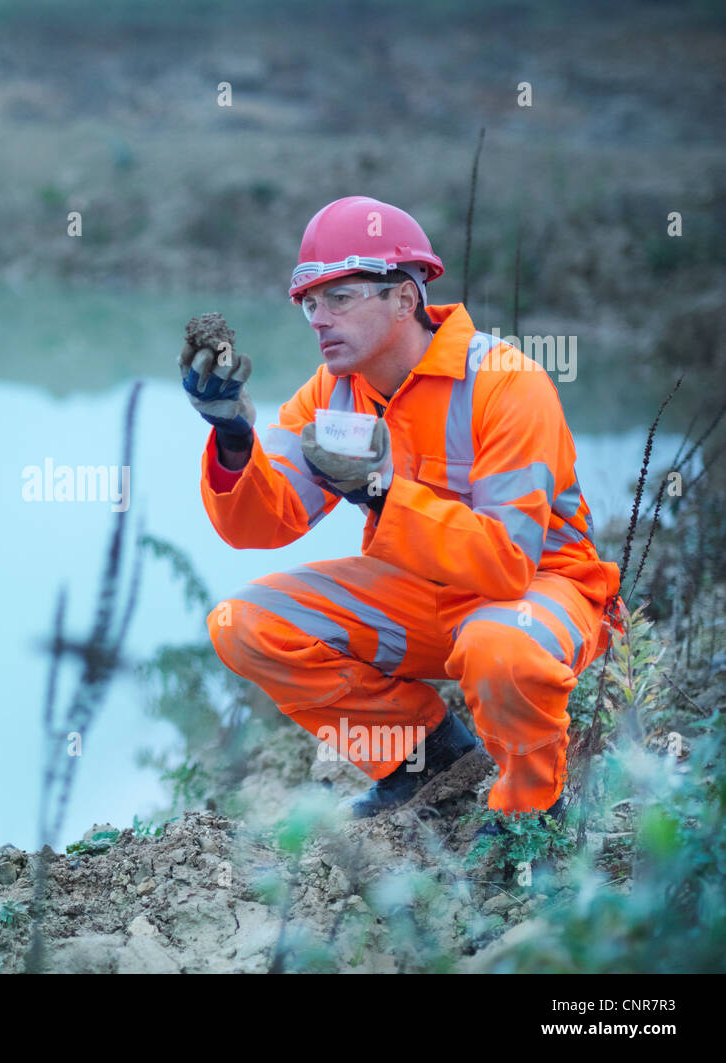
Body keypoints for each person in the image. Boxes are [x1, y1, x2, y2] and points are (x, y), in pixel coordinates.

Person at [179, 195, 623, 832]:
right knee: (242, 623)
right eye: (310, 303)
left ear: (405, 299)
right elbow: (263, 524)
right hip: (422, 599)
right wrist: (231, 439)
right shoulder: (332, 394)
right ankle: (428, 762)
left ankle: (532, 812)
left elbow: (506, 564)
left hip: (541, 592)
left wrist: (383, 494)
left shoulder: (505, 383)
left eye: (341, 298)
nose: (318, 319)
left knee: (497, 646)